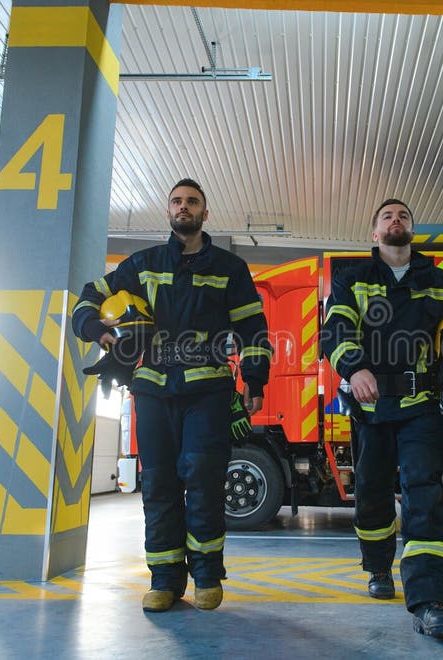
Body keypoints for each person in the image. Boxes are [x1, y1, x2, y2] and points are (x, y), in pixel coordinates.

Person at [72, 178, 271, 613]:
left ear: (205, 213)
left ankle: (205, 574)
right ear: (168, 212)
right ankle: (164, 578)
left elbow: (253, 327)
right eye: (177, 202)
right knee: (158, 484)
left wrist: (255, 379)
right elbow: (89, 299)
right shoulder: (141, 264)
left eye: (192, 202)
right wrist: (101, 334)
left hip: (208, 391)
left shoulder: (229, 268)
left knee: (203, 479)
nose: (184, 208)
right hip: (153, 390)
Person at [321, 198, 443, 638]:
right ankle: (377, 568)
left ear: (412, 230)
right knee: (370, 494)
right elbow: (334, 330)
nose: (396, 220)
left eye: (403, 216)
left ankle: (431, 603)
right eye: (387, 216)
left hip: (422, 407)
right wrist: (354, 366)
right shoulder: (352, 281)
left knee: (424, 497)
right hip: (369, 410)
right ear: (375, 233)